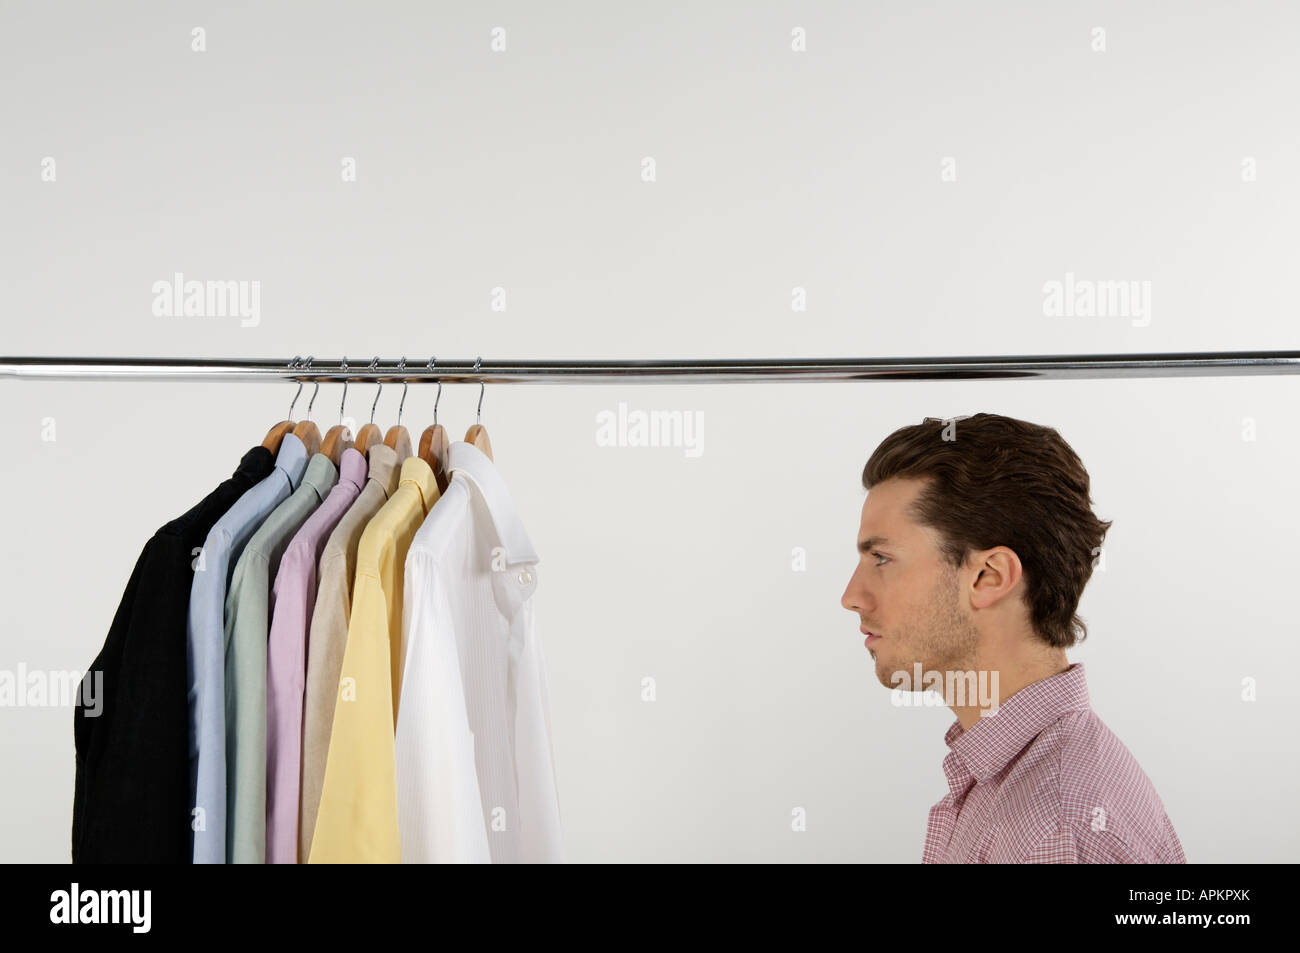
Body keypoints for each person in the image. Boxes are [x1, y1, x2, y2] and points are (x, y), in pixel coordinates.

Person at [841, 413, 1185, 863]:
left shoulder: (1055, 830)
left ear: (989, 576)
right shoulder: (1013, 780)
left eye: (882, 559)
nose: (852, 596)